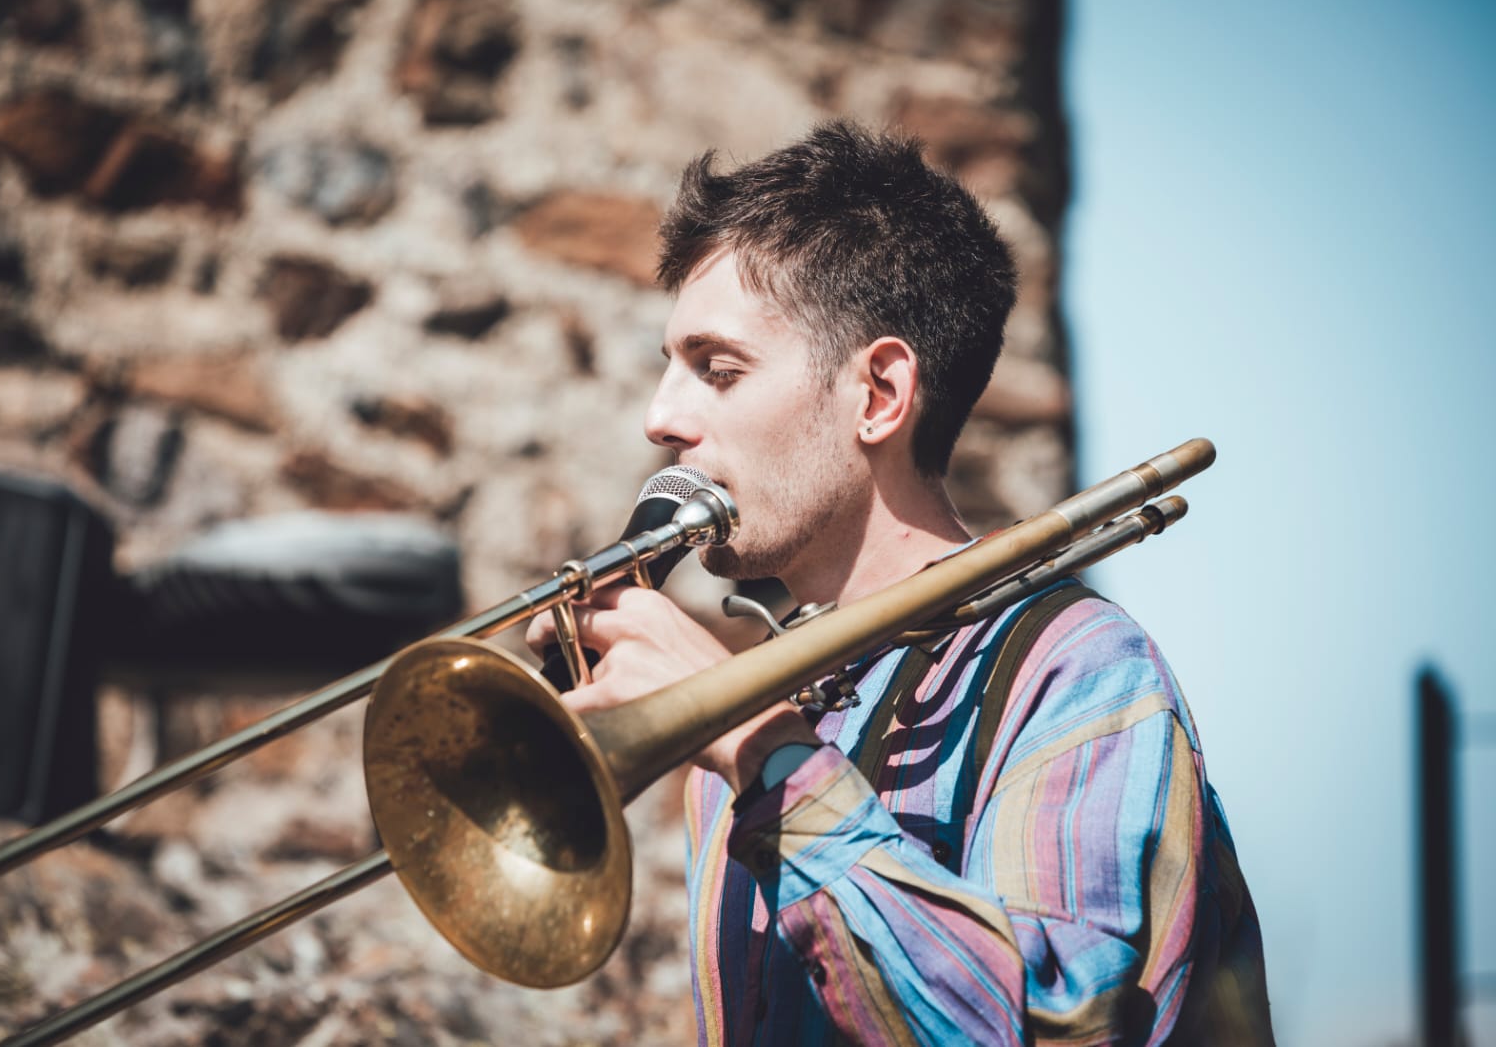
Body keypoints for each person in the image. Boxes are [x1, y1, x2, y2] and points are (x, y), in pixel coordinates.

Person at [527, 121, 1272, 1045]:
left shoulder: (1081, 670)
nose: (660, 418)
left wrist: (763, 753)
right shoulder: (739, 749)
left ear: (879, 394)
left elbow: (1058, 1031)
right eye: (669, 368)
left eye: (717, 370)